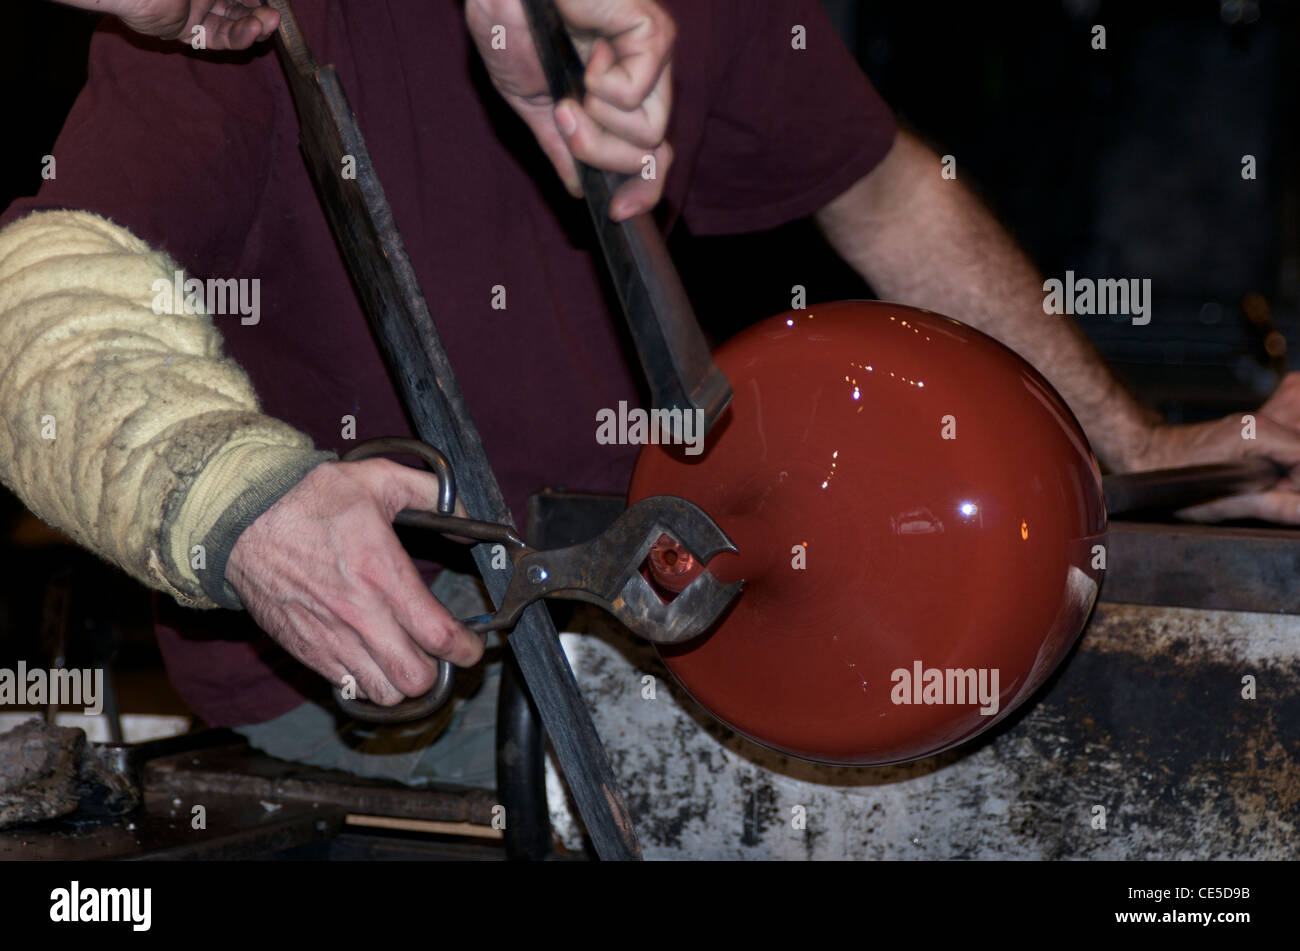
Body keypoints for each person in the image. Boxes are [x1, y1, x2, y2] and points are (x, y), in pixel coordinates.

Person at [2, 0, 1297, 787]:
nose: (189, 27)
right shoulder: (208, 55)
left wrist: (1140, 451)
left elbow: (883, 190)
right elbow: (36, 302)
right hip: (395, 674)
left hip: (650, 606)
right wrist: (237, 501)